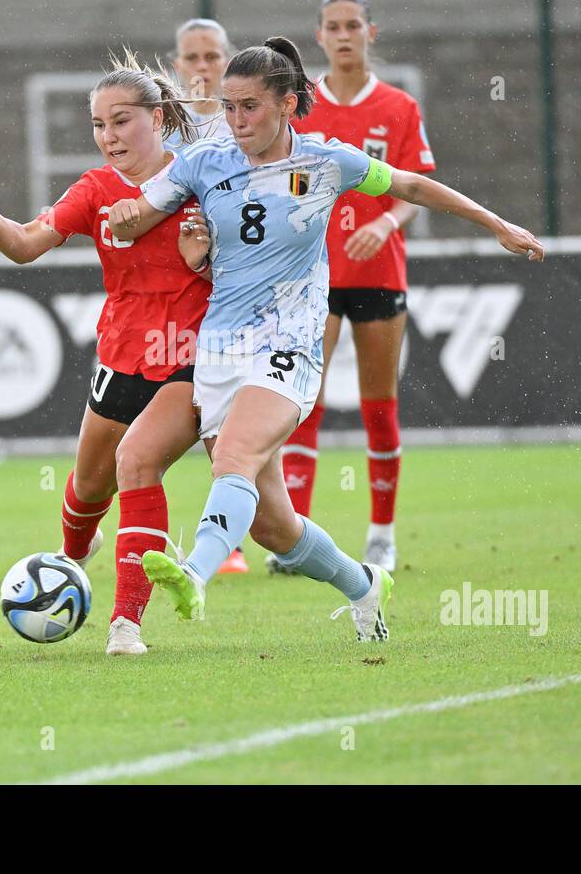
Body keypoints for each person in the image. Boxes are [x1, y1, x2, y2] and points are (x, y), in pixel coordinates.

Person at [107, 37, 544, 641]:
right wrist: (128, 220)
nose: (236, 121)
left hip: (289, 345)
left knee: (232, 459)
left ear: (288, 104)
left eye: (250, 107)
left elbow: (412, 187)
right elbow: (138, 212)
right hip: (220, 351)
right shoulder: (204, 161)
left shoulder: (326, 161)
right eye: (229, 107)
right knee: (274, 528)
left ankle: (194, 574)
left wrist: (498, 224)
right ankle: (364, 586)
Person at [0, 52, 221, 656]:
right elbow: (26, 246)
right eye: (98, 124)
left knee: (138, 466)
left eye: (121, 121)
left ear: (158, 117)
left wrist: (209, 255)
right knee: (88, 489)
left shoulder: (203, 176)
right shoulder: (93, 189)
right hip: (122, 355)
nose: (108, 136)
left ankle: (126, 624)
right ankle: (70, 562)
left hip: (192, 357)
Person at [278, 0, 436, 573]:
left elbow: (414, 190)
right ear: (318, 37)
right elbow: (286, 179)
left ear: (372, 32)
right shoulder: (302, 106)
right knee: (302, 402)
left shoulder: (397, 107)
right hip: (311, 277)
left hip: (378, 272)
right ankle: (296, 541)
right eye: (332, 26)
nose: (343, 35)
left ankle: (382, 534)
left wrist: (388, 221)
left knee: (378, 403)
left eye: (353, 25)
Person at [165, 19, 235, 149]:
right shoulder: (161, 124)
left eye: (211, 56)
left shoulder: (241, 124)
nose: (202, 66)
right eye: (191, 58)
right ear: (177, 66)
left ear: (226, 64)